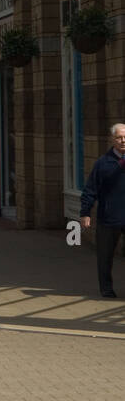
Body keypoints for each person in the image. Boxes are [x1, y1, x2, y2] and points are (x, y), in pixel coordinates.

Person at [80, 123, 125, 298]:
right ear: (112, 139)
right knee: (105, 256)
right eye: (119, 137)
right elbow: (90, 190)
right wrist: (85, 212)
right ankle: (106, 288)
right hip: (109, 217)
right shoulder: (102, 163)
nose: (123, 141)